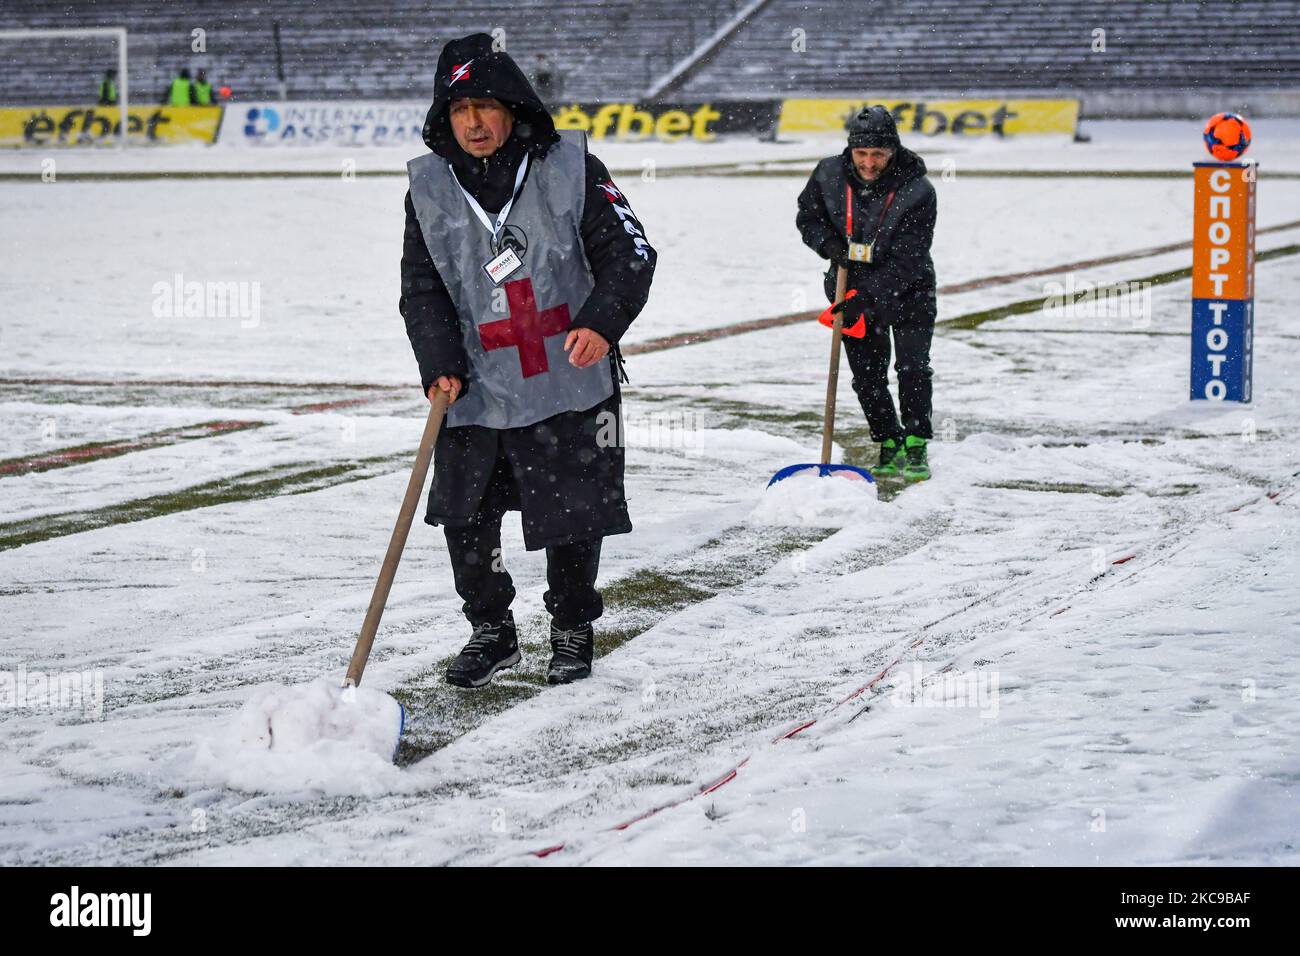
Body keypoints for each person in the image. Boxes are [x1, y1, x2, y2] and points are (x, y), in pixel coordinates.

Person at [400, 34, 655, 687]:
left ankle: (571, 628)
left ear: (513, 106)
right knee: (464, 518)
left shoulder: (570, 168)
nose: (474, 123)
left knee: (571, 514)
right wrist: (438, 363)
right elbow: (422, 289)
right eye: (459, 111)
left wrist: (601, 322)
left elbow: (630, 255)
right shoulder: (427, 190)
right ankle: (492, 630)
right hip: (476, 386)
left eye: (486, 106)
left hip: (566, 377)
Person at [796, 105, 938, 480]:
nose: (869, 162)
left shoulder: (917, 189)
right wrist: (829, 244)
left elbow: (910, 256)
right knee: (868, 376)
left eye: (878, 154)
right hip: (850, 285)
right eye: (862, 154)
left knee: (912, 368)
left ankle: (916, 440)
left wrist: (869, 294)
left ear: (893, 151)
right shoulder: (828, 174)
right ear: (851, 150)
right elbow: (807, 217)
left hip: (910, 290)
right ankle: (888, 438)